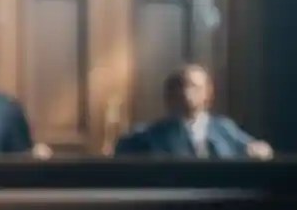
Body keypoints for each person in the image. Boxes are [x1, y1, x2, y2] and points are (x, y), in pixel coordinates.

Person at [114, 64, 273, 160]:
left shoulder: (223, 128)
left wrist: (260, 150)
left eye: (194, 87)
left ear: (208, 93)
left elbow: (254, 148)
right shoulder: (147, 136)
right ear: (168, 95)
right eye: (180, 87)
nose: (186, 93)